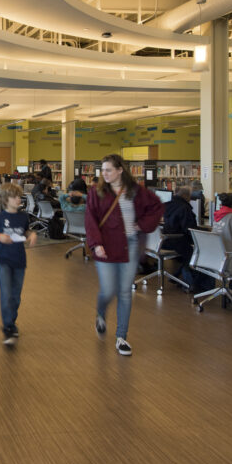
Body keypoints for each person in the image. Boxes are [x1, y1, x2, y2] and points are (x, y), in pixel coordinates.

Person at [85, 153, 163, 356]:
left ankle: (122, 337)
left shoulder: (136, 192)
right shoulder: (97, 192)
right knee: (108, 289)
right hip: (106, 247)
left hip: (130, 246)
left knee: (125, 292)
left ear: (120, 170)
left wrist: (142, 224)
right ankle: (101, 314)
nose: (105, 174)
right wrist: (96, 244)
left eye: (109, 170)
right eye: (103, 171)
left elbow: (157, 206)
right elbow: (90, 218)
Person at [0, 182, 37, 345]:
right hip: (3, 259)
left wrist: (31, 235)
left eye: (19, 196)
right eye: (15, 197)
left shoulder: (23, 217)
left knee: (15, 297)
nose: (18, 199)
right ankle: (8, 327)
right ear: (6, 199)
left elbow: (25, 231)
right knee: (6, 295)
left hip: (19, 260)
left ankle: (11, 321)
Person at [162, 185, 198, 289]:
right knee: (194, 252)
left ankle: (175, 277)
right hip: (176, 241)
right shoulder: (184, 208)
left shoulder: (167, 204)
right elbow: (190, 229)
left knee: (190, 250)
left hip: (165, 240)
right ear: (186, 196)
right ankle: (188, 283)